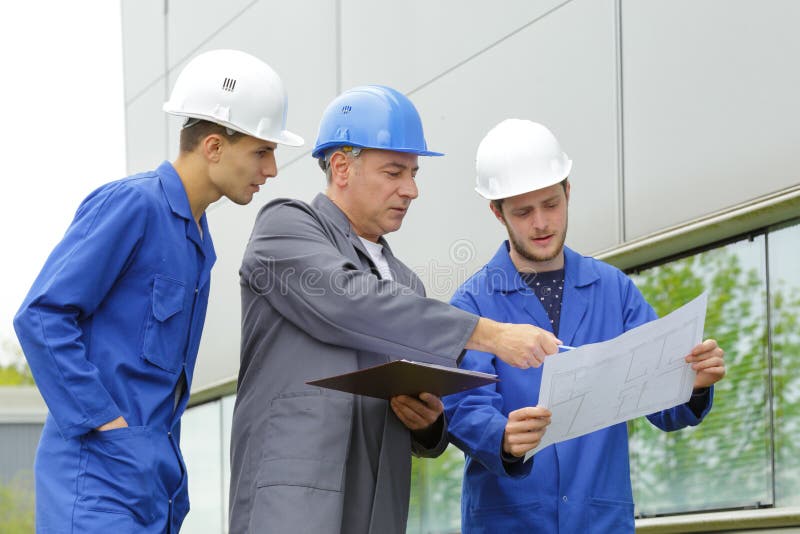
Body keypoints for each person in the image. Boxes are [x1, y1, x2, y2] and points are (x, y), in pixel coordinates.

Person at [228, 86, 562, 534]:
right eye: (394, 172)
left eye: (414, 173)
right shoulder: (285, 227)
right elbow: (349, 301)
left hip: (377, 510)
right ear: (342, 167)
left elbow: (425, 432)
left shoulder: (406, 283)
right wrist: (491, 334)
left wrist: (428, 424)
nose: (412, 189)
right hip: (292, 509)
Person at [13, 49, 303, 533]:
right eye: (261, 151)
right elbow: (41, 316)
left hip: (153, 487)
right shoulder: (133, 205)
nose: (271, 170)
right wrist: (108, 426)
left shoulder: (197, 242)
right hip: (96, 482)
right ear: (213, 146)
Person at [442, 119, 727, 533]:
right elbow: (462, 409)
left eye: (551, 204)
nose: (541, 223)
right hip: (511, 521)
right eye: (523, 211)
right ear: (497, 212)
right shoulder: (472, 305)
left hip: (600, 521)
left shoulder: (615, 291)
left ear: (568, 192)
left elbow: (666, 405)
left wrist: (693, 383)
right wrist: (501, 436)